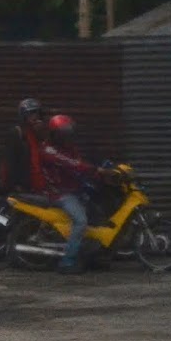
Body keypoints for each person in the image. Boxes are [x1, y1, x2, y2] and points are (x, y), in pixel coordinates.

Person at [38, 115, 103, 275]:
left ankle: (93, 256)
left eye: (69, 133)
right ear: (55, 135)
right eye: (63, 134)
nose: (67, 136)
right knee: (81, 221)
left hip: (73, 190)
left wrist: (99, 173)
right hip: (59, 193)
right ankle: (67, 262)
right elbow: (73, 164)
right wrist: (95, 170)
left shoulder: (69, 148)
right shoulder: (49, 150)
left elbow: (79, 164)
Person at [0, 97, 49, 192]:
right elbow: (10, 162)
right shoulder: (17, 133)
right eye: (31, 114)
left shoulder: (39, 133)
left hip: (39, 187)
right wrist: (14, 185)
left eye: (37, 113)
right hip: (23, 187)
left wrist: (41, 133)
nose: (35, 116)